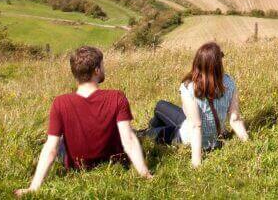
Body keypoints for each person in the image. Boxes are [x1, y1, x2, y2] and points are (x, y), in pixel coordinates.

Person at [15, 46, 152, 197]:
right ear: (97, 70)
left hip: (77, 166)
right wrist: (144, 173)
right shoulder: (117, 97)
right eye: (102, 65)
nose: (104, 68)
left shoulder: (60, 103)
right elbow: (129, 140)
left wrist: (33, 187)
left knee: (58, 142)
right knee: (131, 132)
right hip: (115, 161)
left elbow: (50, 148)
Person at [145, 42, 249, 167]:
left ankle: (149, 129)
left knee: (147, 132)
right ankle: (153, 124)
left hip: (186, 136)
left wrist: (196, 163)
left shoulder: (189, 87)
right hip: (213, 135)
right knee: (161, 106)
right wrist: (248, 143)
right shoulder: (229, 82)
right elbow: (235, 119)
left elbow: (196, 126)